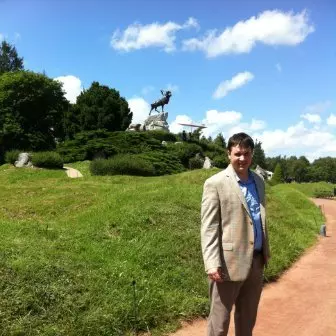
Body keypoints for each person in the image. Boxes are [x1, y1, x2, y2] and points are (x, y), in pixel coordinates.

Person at [201, 132, 270, 336]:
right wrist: (212, 262)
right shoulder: (216, 183)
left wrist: (265, 250)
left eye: (246, 154)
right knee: (219, 323)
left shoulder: (259, 181)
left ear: (252, 154)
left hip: (256, 261)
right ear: (228, 154)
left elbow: (259, 218)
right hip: (226, 264)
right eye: (237, 153)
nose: (242, 158)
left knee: (247, 320)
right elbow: (209, 227)